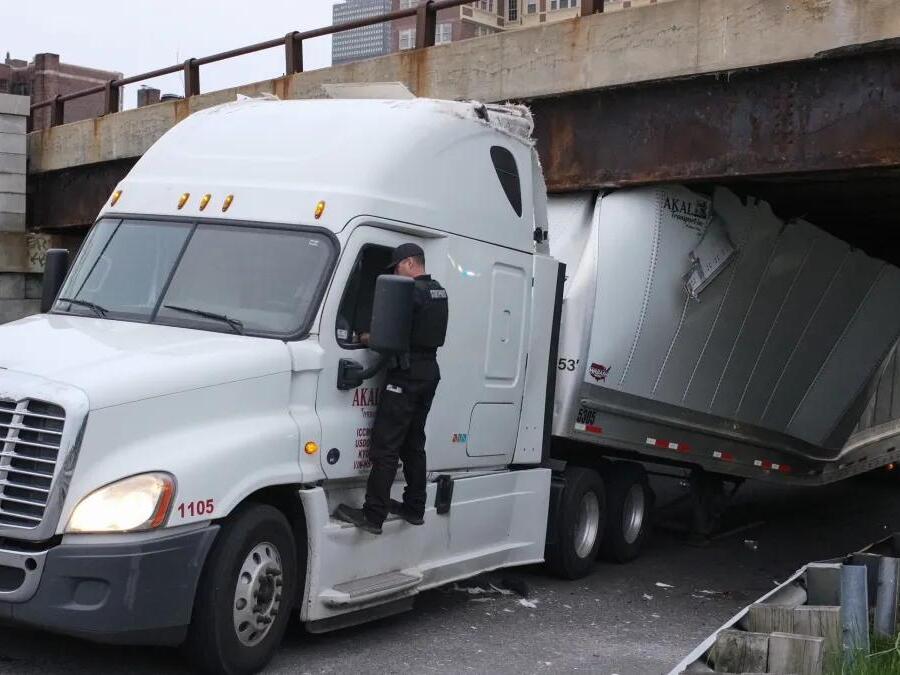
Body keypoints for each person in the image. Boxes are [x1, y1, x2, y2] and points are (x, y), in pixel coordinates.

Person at [335, 243, 449, 535]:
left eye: (397, 267)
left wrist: (365, 336)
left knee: (385, 446)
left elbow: (390, 335)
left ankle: (373, 515)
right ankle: (414, 507)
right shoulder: (438, 291)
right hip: (429, 373)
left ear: (410, 263)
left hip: (406, 375)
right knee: (414, 443)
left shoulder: (409, 293)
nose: (396, 274)